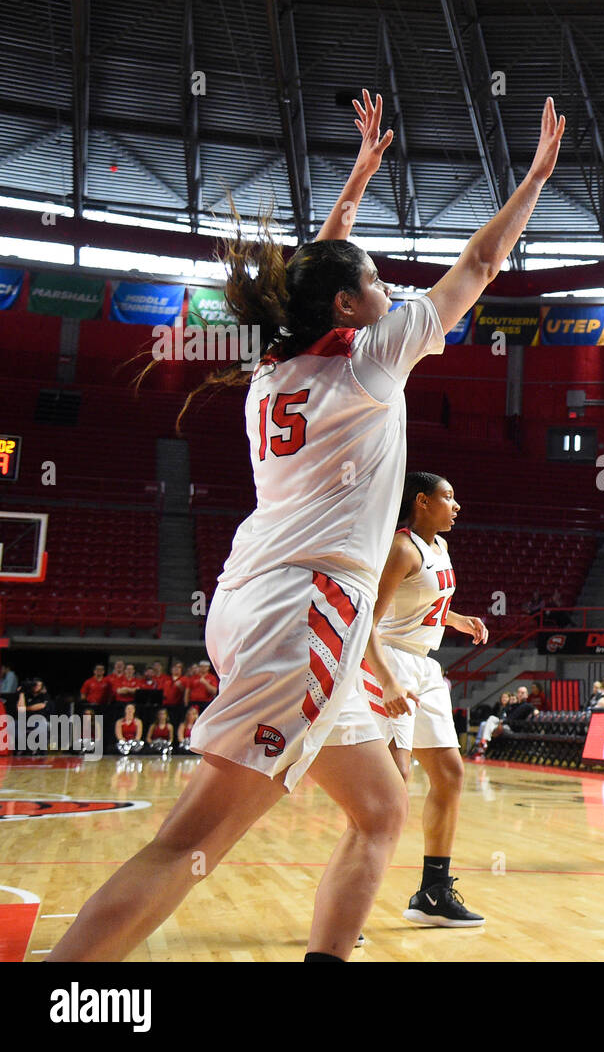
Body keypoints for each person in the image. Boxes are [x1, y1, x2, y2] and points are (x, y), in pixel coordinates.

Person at [50, 90, 565, 963]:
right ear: (348, 310)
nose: (386, 286)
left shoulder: (274, 367)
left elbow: (309, 280)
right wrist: (534, 180)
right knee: (191, 845)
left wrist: (357, 184)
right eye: (372, 280)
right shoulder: (370, 362)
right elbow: (477, 264)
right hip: (307, 613)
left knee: (379, 808)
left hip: (258, 594)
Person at [350, 472, 489, 928]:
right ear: (422, 501)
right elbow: (367, 620)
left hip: (425, 667)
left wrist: (460, 619)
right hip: (389, 662)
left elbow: (426, 602)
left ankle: (432, 894)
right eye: (449, 497)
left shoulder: (439, 548)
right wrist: (387, 680)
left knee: (449, 773)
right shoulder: (401, 547)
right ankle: (346, 910)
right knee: (390, 787)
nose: (457, 505)